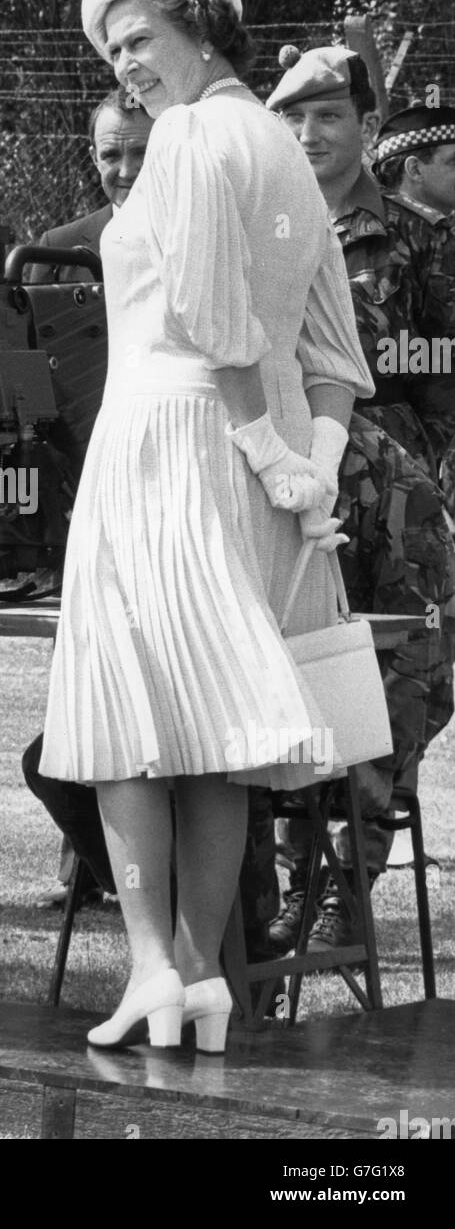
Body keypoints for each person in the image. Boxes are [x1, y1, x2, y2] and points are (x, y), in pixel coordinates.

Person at [39, 0, 373, 1053]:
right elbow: (331, 352)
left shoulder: (186, 136)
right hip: (241, 458)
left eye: (138, 39)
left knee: (134, 715)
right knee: (213, 725)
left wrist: (277, 454)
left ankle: (151, 968)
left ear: (198, 21)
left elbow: (211, 315)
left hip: (165, 443)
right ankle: (199, 979)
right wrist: (305, 457)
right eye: (113, 53)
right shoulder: (283, 149)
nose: (127, 69)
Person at [267, 50, 455, 951]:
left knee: (407, 673)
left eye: (330, 117)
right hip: (282, 480)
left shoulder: (418, 241)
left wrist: (431, 481)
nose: (309, 137)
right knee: (296, 668)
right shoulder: (261, 224)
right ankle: (283, 885)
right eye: (293, 119)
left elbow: (444, 380)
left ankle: (346, 879)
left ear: (365, 128)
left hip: (399, 494)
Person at [23, 88, 152, 910]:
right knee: (80, 679)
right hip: (82, 492)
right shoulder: (59, 252)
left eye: (138, 152)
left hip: (172, 489)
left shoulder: (201, 235)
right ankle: (89, 860)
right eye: (109, 153)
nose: (122, 170)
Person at [371, 106, 455, 477]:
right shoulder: (404, 232)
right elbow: (406, 352)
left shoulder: (424, 226)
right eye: (453, 162)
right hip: (409, 434)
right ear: (415, 170)